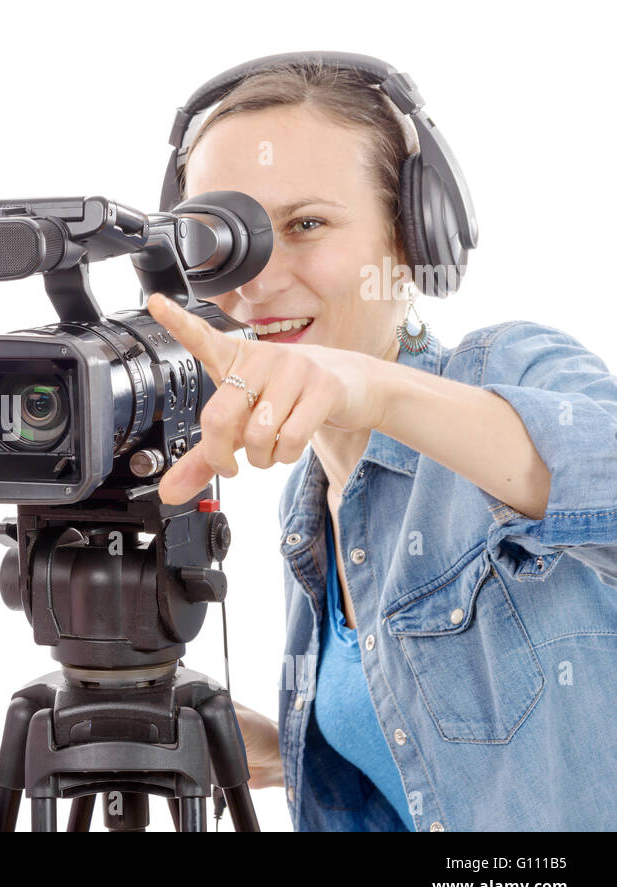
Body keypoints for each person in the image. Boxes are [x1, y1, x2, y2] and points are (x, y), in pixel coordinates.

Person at [145, 53, 617, 831]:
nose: (256, 283)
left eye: (306, 225)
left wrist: (374, 389)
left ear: (412, 236)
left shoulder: (505, 370)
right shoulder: (310, 513)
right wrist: (293, 746)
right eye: (223, 238)